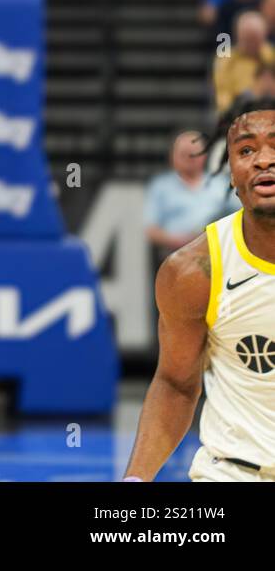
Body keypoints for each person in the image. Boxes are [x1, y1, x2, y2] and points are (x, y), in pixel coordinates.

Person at [124, 99, 275, 482]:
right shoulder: (192, 272)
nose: (262, 160)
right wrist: (134, 481)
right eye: (245, 150)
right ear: (230, 175)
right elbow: (175, 385)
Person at [144, 131, 235, 256]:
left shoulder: (221, 184)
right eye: (183, 154)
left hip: (218, 254)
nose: (189, 158)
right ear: (173, 156)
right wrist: (179, 241)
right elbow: (151, 230)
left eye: (193, 154)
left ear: (204, 155)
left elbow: (243, 216)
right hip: (174, 256)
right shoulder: (161, 186)